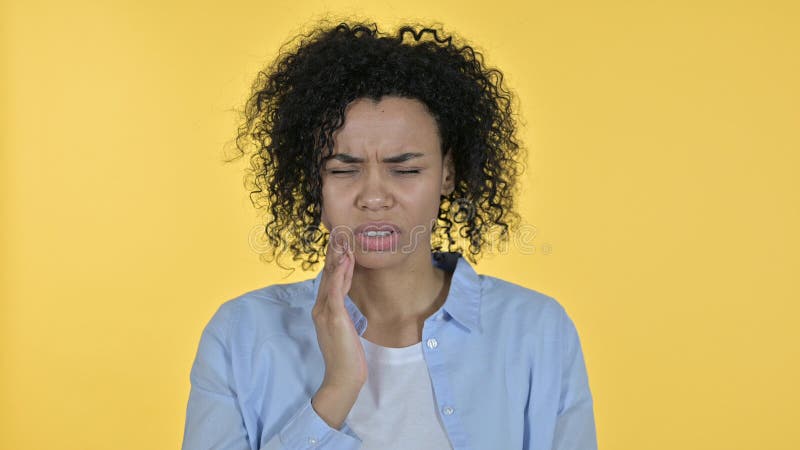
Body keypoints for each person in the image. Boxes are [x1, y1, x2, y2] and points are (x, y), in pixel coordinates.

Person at [182, 21, 597, 450]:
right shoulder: (241, 336)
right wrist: (339, 387)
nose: (374, 197)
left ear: (447, 174)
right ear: (312, 181)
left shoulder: (536, 331)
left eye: (406, 170)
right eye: (342, 170)